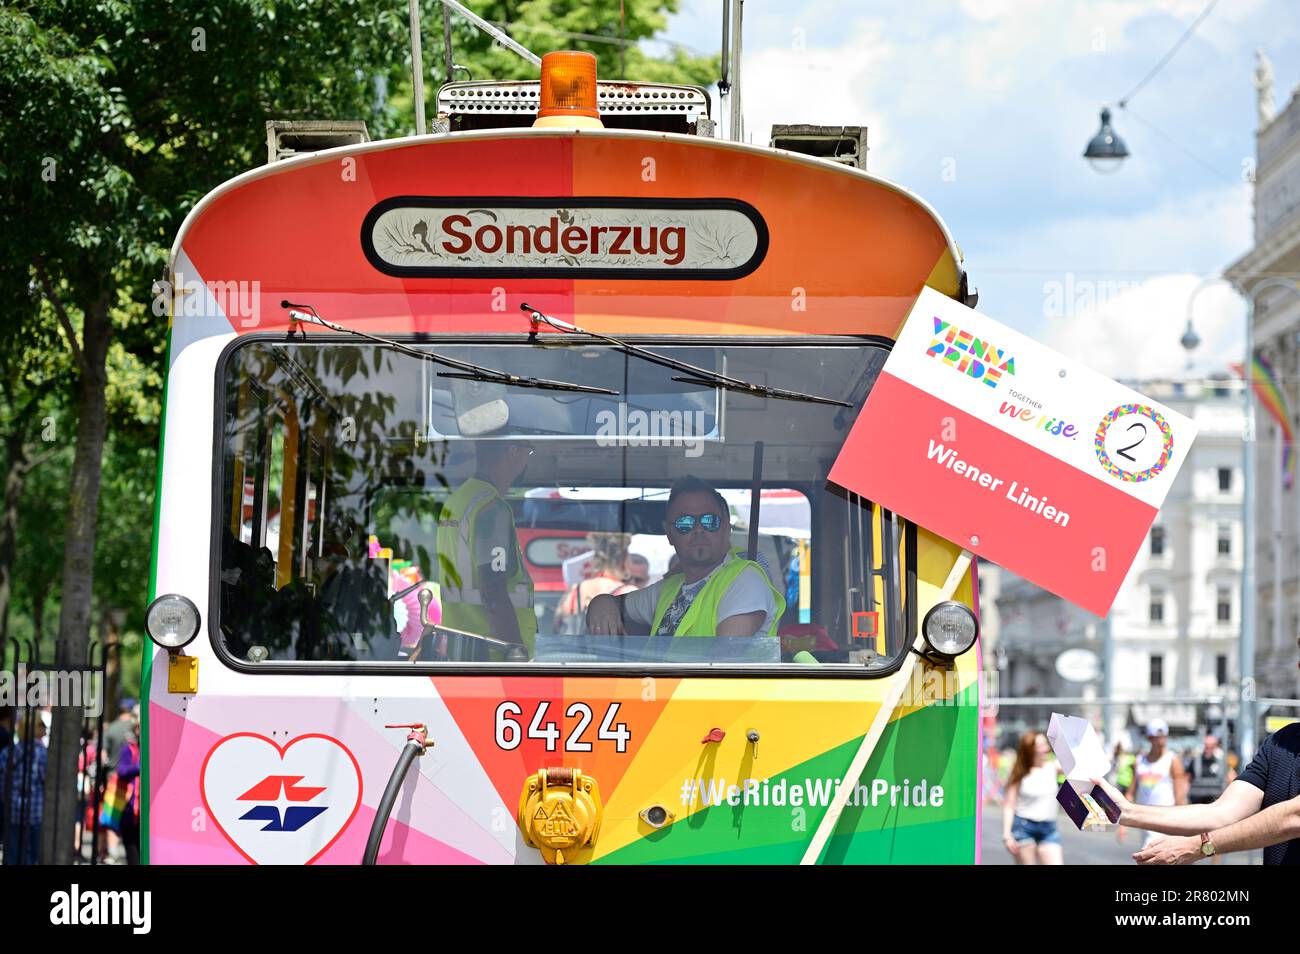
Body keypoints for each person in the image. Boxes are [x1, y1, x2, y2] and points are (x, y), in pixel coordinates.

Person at [587, 476, 785, 638]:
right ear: (670, 534)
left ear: (727, 527)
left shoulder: (745, 579)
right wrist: (601, 603)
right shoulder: (669, 588)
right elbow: (612, 604)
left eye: (710, 521)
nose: (698, 530)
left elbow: (723, 662)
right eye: (685, 523)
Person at [436, 440, 537, 654]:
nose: (528, 457)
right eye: (528, 449)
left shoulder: (455, 503)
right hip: (493, 658)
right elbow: (494, 592)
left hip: (461, 652)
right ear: (513, 451)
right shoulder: (491, 509)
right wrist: (515, 655)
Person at [552, 533, 636, 635]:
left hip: (573, 650)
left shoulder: (574, 591)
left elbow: (557, 626)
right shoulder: (628, 593)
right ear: (623, 559)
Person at [1000, 731, 1063, 865]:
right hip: (1024, 827)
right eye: (1040, 746)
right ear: (1030, 750)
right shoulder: (1019, 772)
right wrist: (1007, 835)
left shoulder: (1053, 767)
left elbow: (1075, 765)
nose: (1046, 748)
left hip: (1049, 828)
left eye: (1045, 744)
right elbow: (1009, 806)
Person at [1126, 719, 1187, 850]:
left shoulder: (1172, 760)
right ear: (1149, 738)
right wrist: (1123, 823)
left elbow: (1180, 796)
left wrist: (1181, 822)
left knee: (1150, 852)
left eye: (1163, 736)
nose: (1161, 740)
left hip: (1165, 817)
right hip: (1144, 817)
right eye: (1157, 737)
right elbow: (1131, 792)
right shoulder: (1140, 761)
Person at [0, 710, 47, 865]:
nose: (44, 730)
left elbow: (2, 784)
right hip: (35, 811)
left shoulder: (8, 753)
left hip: (12, 810)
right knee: (31, 856)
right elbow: (44, 780)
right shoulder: (41, 753)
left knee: (12, 854)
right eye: (41, 725)